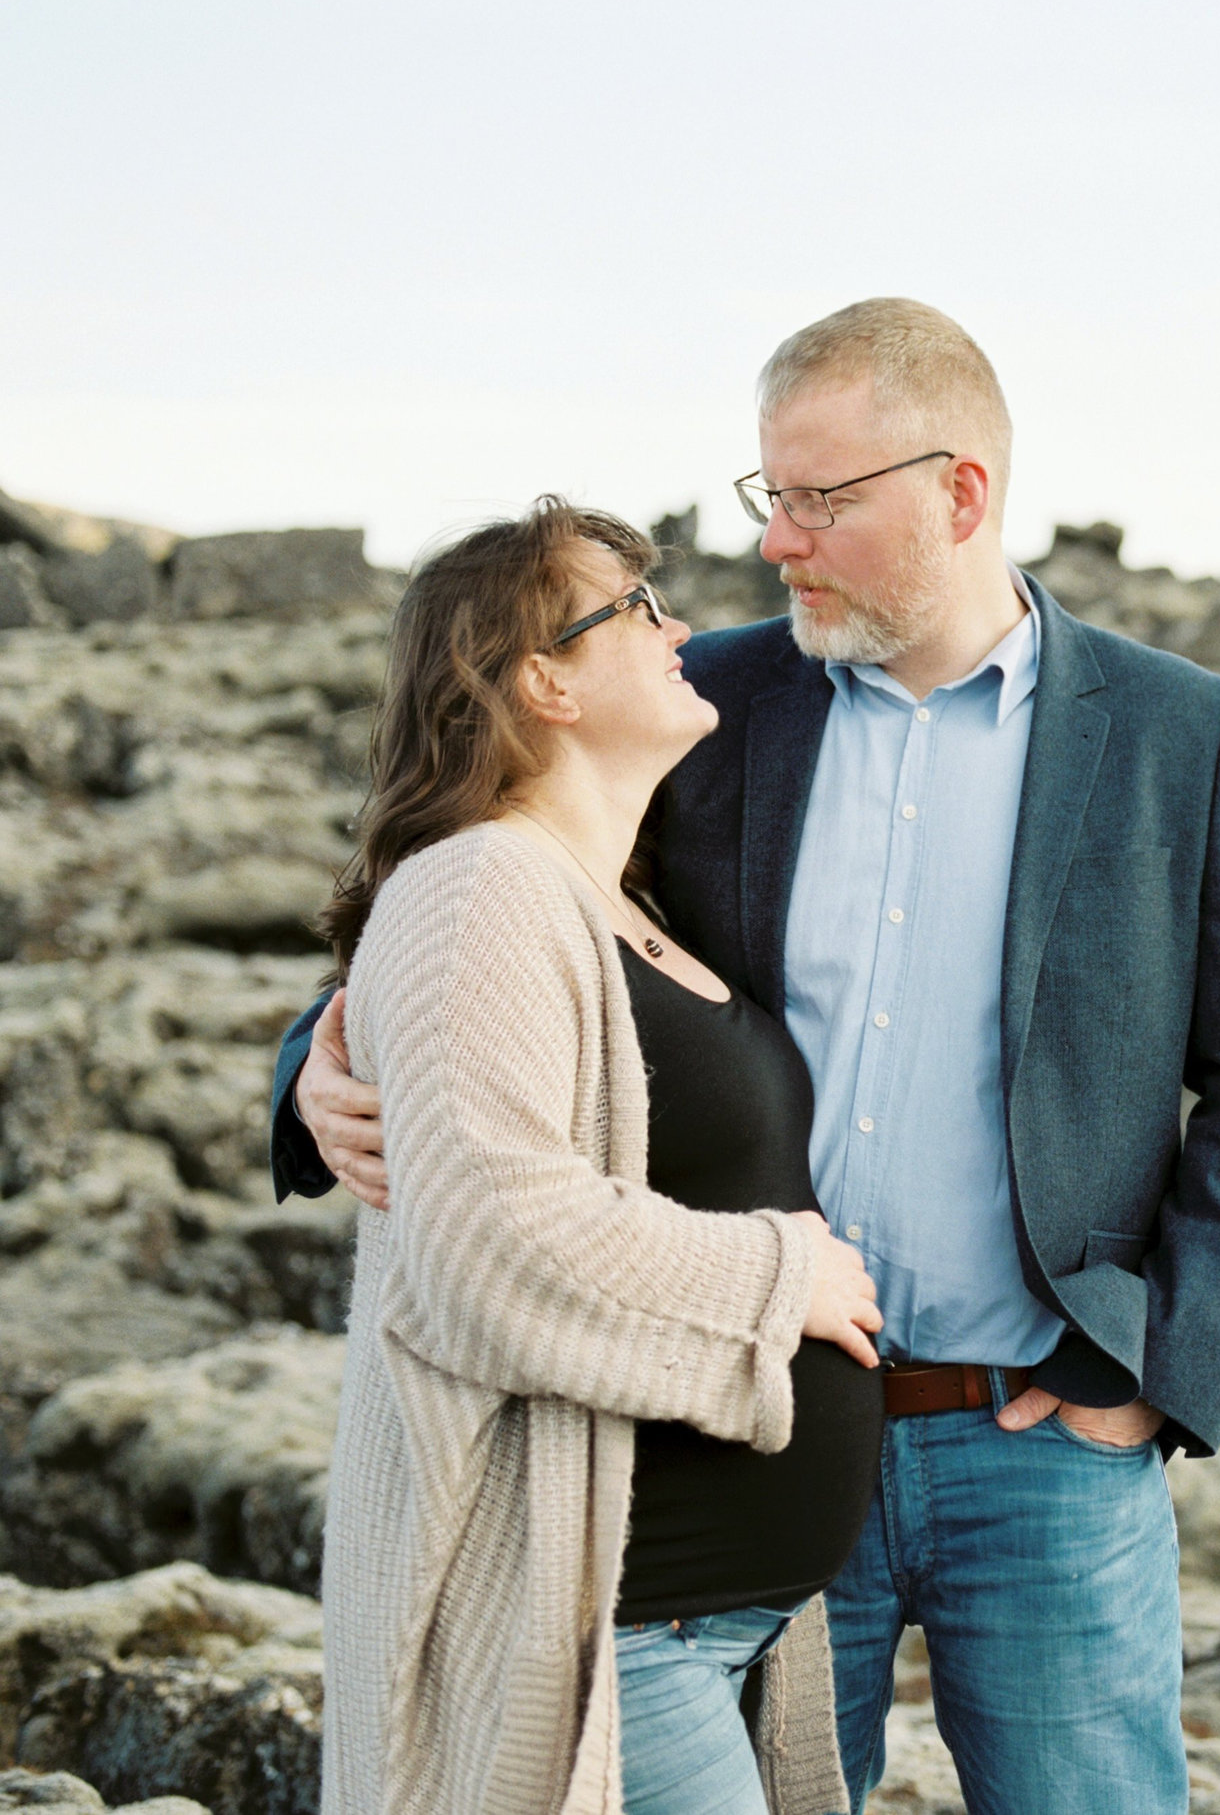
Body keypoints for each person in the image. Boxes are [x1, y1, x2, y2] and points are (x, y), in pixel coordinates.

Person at [274, 297, 1220, 1815]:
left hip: (1042, 1443)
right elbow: (492, 894)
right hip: (730, 1440)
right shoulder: (716, 707)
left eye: (823, 499)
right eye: (771, 495)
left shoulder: (1182, 731)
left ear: (961, 492)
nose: (778, 542)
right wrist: (317, 1060)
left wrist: (1160, 1366)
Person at [308, 500, 886, 1815]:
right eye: (635, 605)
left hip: (707, 1632)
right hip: (616, 1635)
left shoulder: (614, 897)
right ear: (543, 675)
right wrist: (778, 1272)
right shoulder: (479, 889)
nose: (681, 624)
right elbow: (491, 1239)